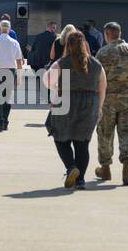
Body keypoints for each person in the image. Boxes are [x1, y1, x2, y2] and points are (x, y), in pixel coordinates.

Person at [45, 29, 105, 189]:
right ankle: (80, 180)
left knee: (59, 137)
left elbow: (47, 82)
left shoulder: (61, 63)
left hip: (65, 101)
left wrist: (56, 87)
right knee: (82, 143)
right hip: (89, 103)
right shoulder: (96, 64)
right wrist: (99, 108)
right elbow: (102, 86)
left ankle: (71, 167)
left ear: (68, 45)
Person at [94, 22, 128, 185]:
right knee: (127, 133)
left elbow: (96, 77)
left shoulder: (103, 52)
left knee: (105, 134)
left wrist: (96, 100)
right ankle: (126, 169)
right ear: (119, 33)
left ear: (107, 34)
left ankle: (105, 168)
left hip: (108, 102)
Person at [0, 19, 24, 132]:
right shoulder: (14, 42)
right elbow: (19, 61)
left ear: (0, 28)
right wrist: (20, 77)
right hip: (10, 71)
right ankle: (5, 121)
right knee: (7, 98)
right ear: (10, 29)